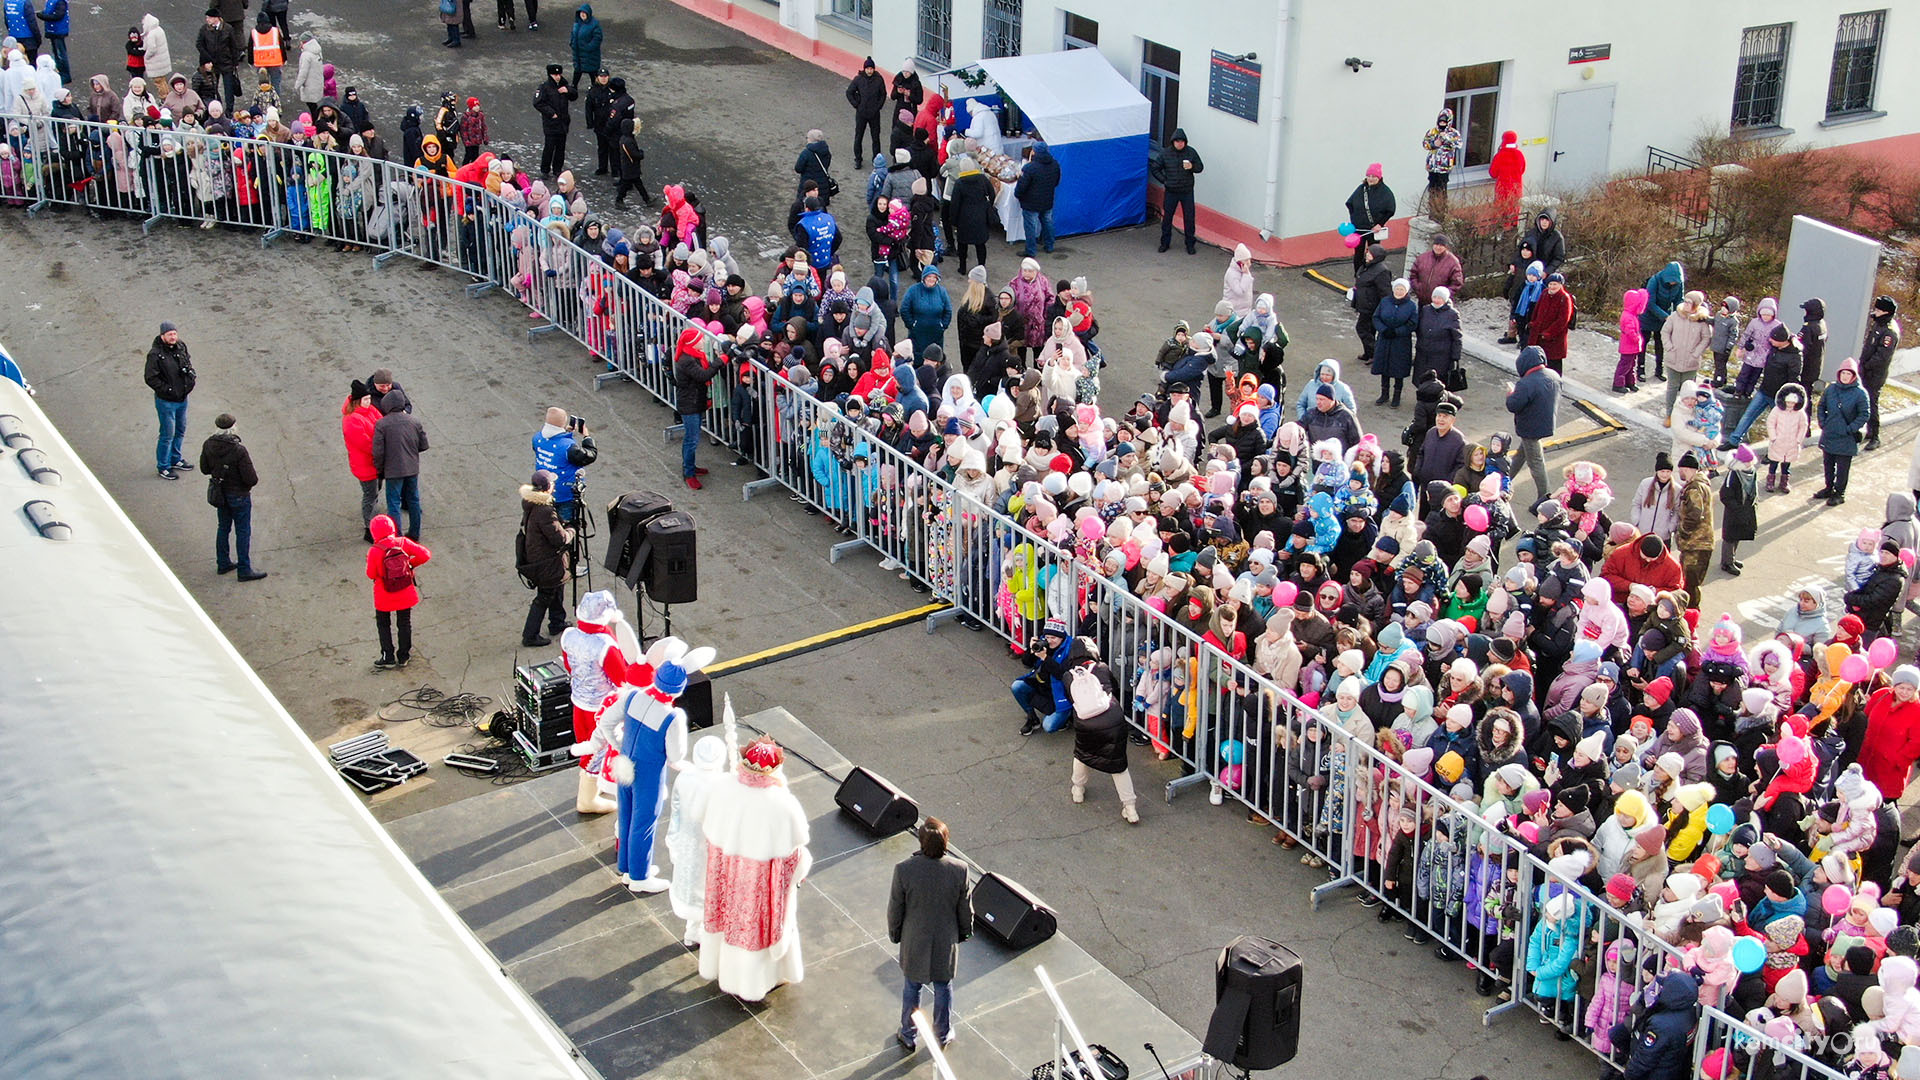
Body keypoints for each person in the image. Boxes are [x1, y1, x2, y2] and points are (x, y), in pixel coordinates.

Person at [698, 734, 812, 1002]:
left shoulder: (724, 787)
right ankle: (758, 982)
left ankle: (720, 969)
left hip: (726, 871)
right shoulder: (781, 802)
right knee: (756, 926)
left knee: (728, 920)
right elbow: (799, 841)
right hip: (758, 878)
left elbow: (708, 823)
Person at [888, 816, 970, 1051]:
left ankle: (908, 1033)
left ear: (921, 842)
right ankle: (942, 1034)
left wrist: (895, 934)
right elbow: (965, 908)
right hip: (946, 940)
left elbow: (896, 907)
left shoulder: (904, 870)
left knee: (911, 987)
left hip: (915, 940)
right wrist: (965, 933)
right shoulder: (960, 870)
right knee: (944, 987)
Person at [199, 413, 267, 581]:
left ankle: (223, 562)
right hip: (238, 495)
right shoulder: (238, 450)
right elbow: (251, 478)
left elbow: (204, 468)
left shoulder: (208, 444)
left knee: (223, 527)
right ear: (233, 427)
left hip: (220, 494)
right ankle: (244, 569)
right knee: (242, 531)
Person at [365, 513, 429, 669]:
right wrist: (410, 565)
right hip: (404, 590)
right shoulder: (402, 542)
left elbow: (371, 574)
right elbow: (425, 554)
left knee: (383, 624)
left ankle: (388, 656)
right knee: (404, 623)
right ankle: (404, 656)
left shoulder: (375, 551)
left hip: (384, 593)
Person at [518, 470, 573, 647]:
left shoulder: (530, 503)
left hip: (537, 557)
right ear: (547, 487)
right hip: (546, 562)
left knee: (557, 588)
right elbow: (560, 538)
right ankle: (530, 635)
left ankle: (557, 622)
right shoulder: (545, 511)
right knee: (545, 596)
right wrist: (571, 530)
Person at [1504, 345, 1559, 506]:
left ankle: (1545, 498)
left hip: (1529, 427)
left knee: (1535, 462)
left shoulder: (1526, 383)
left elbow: (1513, 405)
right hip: (1545, 423)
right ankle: (1505, 479)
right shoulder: (1554, 375)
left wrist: (1510, 394)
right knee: (1522, 453)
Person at [371, 388, 427, 539]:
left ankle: (397, 536)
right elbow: (423, 444)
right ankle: (415, 534)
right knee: (414, 500)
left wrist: (380, 469)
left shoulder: (382, 424)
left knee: (393, 504)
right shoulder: (414, 421)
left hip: (393, 471)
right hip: (412, 468)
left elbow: (378, 452)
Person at [673, 325, 723, 490]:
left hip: (694, 401)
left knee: (692, 437)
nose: (702, 341)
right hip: (690, 404)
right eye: (699, 339)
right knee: (691, 439)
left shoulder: (692, 356)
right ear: (693, 343)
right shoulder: (687, 360)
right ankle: (688, 473)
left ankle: (691, 467)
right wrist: (721, 361)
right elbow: (703, 375)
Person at [144, 321, 196, 480]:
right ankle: (163, 466)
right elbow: (150, 378)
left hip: (182, 398)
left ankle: (175, 458)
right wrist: (169, 390)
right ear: (162, 336)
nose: (173, 337)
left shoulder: (181, 347)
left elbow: (187, 362)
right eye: (169, 334)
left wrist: (191, 376)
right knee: (167, 434)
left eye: (174, 333)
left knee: (180, 429)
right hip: (166, 401)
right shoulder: (155, 354)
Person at [1815, 357, 1870, 507]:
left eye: (1848, 374)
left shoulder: (1860, 393)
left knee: (1842, 468)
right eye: (1843, 373)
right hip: (1830, 433)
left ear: (1854, 376)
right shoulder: (1831, 389)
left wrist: (1850, 428)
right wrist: (1823, 422)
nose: (1845, 376)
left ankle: (1839, 493)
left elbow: (1864, 414)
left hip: (1846, 437)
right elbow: (1821, 406)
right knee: (1828, 464)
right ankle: (1828, 488)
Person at [532, 405, 597, 520]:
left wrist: (565, 432)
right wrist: (587, 436)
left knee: (547, 525)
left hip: (544, 492)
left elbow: (553, 448)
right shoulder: (567, 446)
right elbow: (589, 456)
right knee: (565, 530)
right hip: (565, 495)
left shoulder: (537, 438)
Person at [340, 380, 382, 541]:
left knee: (374, 492)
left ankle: (373, 517)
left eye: (369, 399)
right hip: (365, 465)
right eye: (366, 400)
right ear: (357, 401)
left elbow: (382, 423)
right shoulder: (352, 420)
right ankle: (369, 528)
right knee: (369, 495)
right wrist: (382, 448)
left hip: (375, 463)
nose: (369, 402)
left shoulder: (369, 410)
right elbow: (365, 443)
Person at [1151, 127, 1203, 254]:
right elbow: (1155, 168)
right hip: (1171, 191)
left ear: (1185, 142)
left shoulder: (1191, 152)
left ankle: (1190, 244)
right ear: (1173, 142)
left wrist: (1192, 167)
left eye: (1182, 141)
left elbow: (1200, 167)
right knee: (1167, 218)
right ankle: (1165, 243)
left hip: (1187, 191)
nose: (1180, 144)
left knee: (1189, 219)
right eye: (1177, 141)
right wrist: (1164, 181)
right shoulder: (1165, 153)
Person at [1861, 295, 1901, 451]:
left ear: (1885, 311)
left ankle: (1875, 436)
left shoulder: (1889, 332)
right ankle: (1870, 432)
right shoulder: (1879, 324)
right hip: (1867, 369)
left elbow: (1882, 356)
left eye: (1878, 309)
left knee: (1872, 402)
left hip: (1875, 374)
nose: (1875, 311)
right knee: (1867, 401)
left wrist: (1867, 366)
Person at [1674, 452, 1713, 607]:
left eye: (1681, 469)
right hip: (1701, 542)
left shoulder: (1694, 489)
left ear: (1687, 468)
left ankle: (1691, 613)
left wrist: (1682, 530)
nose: (1680, 473)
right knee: (1692, 581)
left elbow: (1695, 514)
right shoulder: (1702, 485)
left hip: (1696, 543)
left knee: (1690, 582)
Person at [1369, 277, 1416, 407]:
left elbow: (1412, 323)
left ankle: (1396, 396)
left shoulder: (1411, 306)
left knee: (1398, 369)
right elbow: (1376, 317)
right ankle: (1384, 394)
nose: (1399, 291)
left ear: (1406, 291)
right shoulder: (1385, 302)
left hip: (1400, 342)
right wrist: (1384, 330)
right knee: (1384, 367)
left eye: (1402, 289)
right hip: (1384, 339)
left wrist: (1397, 332)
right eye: (1397, 288)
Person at [1344, 163, 1394, 272]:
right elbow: (1349, 203)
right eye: (1369, 176)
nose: (1371, 179)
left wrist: (1380, 224)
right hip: (1359, 228)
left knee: (1374, 253)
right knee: (1358, 253)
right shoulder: (1361, 189)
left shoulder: (1385, 192)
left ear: (1379, 178)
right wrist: (1354, 219)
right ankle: (1358, 274)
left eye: (1374, 176)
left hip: (1374, 229)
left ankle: (1373, 274)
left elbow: (1390, 210)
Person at [1014, 141, 1060, 258]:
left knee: (1030, 227)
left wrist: (1018, 195)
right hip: (1047, 200)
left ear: (1034, 152)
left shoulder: (1029, 168)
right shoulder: (1055, 164)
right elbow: (1056, 182)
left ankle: (1031, 250)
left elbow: (1021, 187)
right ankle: (1049, 245)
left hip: (1031, 203)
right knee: (1047, 222)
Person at [1350, 241, 1390, 369]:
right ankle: (1369, 353)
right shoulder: (1366, 266)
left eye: (1370, 253)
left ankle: (1374, 354)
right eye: (1367, 252)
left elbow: (1385, 292)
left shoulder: (1381, 271)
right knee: (1369, 330)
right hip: (1365, 304)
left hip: (1372, 306)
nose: (1367, 254)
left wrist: (1383, 308)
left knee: (1362, 328)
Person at [1526, 273, 1575, 373]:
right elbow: (1537, 310)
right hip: (1538, 335)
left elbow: (1563, 320)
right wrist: (1533, 323)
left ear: (1561, 285)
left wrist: (1549, 333)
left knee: (1553, 364)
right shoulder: (1544, 293)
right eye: (1550, 284)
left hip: (1554, 339)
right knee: (1538, 361)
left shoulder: (1564, 298)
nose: (1552, 287)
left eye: (1555, 284)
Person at [533, 64, 575, 178]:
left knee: (560, 148)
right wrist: (551, 113)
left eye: (559, 74)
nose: (557, 77)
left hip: (563, 122)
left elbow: (574, 95)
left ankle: (557, 169)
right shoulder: (544, 87)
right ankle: (545, 169)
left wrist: (567, 91)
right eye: (555, 74)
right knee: (549, 147)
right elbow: (538, 103)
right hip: (551, 123)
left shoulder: (564, 85)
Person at [1421, 109, 1461, 218]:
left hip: (1444, 167)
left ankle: (1441, 213)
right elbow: (1425, 143)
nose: (1442, 124)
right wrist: (1434, 144)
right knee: (1432, 189)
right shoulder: (1432, 132)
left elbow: (1458, 144)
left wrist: (1446, 138)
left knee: (1441, 190)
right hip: (1432, 167)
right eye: (1440, 122)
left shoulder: (1453, 133)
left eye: (1444, 122)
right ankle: (1432, 212)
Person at [845, 56, 885, 163]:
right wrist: (856, 105)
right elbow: (849, 92)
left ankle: (876, 159)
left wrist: (878, 107)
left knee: (875, 137)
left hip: (874, 114)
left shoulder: (879, 79)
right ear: (864, 69)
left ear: (874, 69)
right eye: (867, 68)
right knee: (859, 137)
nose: (869, 71)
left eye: (871, 68)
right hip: (861, 113)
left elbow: (883, 95)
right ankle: (858, 159)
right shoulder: (858, 79)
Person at [196, 8, 238, 106]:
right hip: (212, 64)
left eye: (209, 17)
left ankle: (229, 109)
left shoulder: (228, 28)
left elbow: (233, 46)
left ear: (216, 18)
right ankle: (216, 107)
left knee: (229, 89)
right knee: (212, 88)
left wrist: (234, 63)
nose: (207, 20)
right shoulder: (204, 29)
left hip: (226, 63)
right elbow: (199, 44)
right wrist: (207, 59)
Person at [1408, 234, 1462, 308]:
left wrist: (1444, 295)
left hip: (1441, 304)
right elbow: (1413, 274)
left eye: (1441, 245)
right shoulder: (1422, 258)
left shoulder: (1453, 262)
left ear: (1446, 247)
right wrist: (1417, 288)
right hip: (1422, 301)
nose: (1438, 247)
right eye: (1436, 244)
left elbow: (1457, 283)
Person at [794, 127, 834, 205]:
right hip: (822, 185)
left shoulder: (806, 153)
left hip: (808, 184)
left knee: (804, 207)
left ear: (811, 139)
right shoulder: (826, 151)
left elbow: (798, 168)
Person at [35, 0, 67, 86]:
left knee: (60, 53)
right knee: (56, 52)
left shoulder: (60, 2)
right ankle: (60, 71)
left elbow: (58, 15)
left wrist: (43, 16)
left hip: (58, 30)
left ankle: (65, 74)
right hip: (53, 30)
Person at [567, 3, 600, 87]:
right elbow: (573, 34)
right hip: (578, 53)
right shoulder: (577, 23)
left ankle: (595, 87)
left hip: (590, 54)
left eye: (584, 13)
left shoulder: (594, 25)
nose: (582, 15)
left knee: (592, 71)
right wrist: (572, 42)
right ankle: (574, 86)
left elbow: (597, 39)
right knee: (578, 70)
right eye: (581, 13)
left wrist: (589, 48)